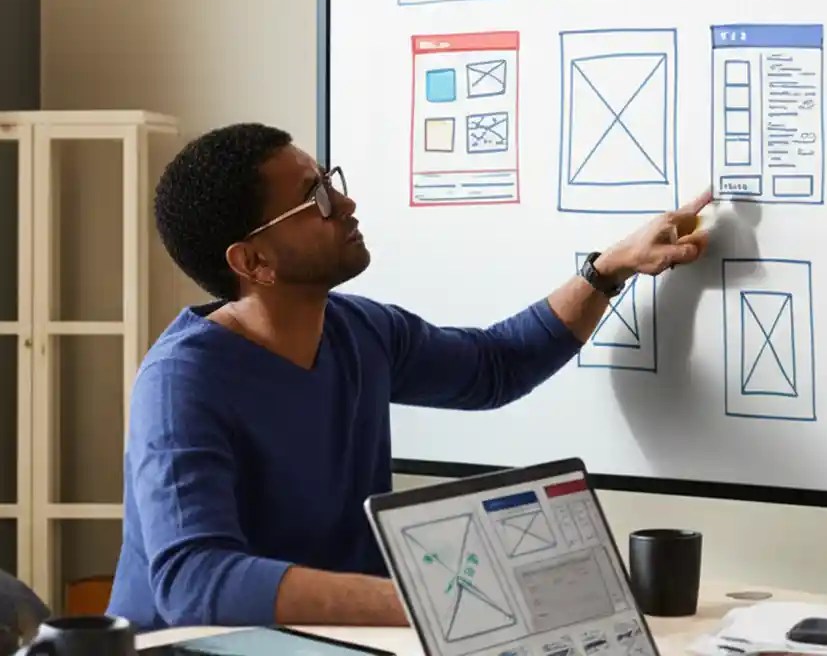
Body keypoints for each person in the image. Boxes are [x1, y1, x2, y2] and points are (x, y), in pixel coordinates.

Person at [105, 122, 713, 630]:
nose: (344, 204)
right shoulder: (181, 383)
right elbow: (194, 580)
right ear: (253, 261)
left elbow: (496, 366)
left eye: (330, 181)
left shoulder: (358, 331)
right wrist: (431, 601)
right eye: (314, 197)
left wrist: (609, 268)